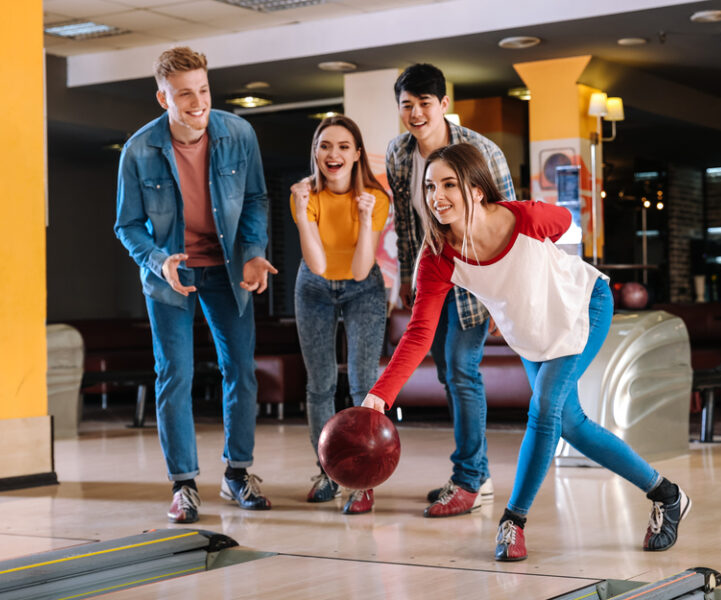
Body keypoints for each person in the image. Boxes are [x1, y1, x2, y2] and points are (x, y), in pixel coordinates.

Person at [362, 143, 691, 561]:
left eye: (449, 184)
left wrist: (536, 257)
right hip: (532, 334)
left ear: (477, 190)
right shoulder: (438, 255)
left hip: (582, 308)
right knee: (570, 424)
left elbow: (565, 220)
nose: (436, 196)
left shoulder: (522, 218)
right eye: (430, 186)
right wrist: (381, 395)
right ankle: (668, 495)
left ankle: (512, 522)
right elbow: (420, 333)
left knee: (546, 407)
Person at [114, 46, 277, 524]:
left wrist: (252, 250)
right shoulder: (139, 150)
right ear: (162, 98)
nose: (197, 102)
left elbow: (254, 197)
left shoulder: (239, 133)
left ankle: (237, 473)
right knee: (175, 376)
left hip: (228, 268)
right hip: (171, 275)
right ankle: (184, 485)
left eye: (203, 90)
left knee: (240, 371)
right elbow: (128, 225)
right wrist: (157, 260)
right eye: (184, 94)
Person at [385, 63, 516, 517]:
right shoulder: (399, 153)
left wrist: (503, 296)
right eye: (407, 105)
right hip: (432, 274)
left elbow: (511, 222)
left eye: (425, 103)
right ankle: (477, 472)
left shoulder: (481, 150)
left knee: (462, 370)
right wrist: (406, 274)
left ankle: (468, 480)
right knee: (448, 375)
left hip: (476, 279)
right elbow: (406, 220)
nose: (416, 113)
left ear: (444, 104)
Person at [290, 115, 390, 514]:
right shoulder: (304, 194)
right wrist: (300, 214)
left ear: (357, 154)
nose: (334, 154)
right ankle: (328, 472)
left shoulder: (376, 199)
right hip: (314, 285)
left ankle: (362, 480)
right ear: (316, 152)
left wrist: (365, 218)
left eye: (343, 147)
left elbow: (363, 269)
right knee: (321, 383)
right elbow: (315, 262)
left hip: (362, 287)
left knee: (364, 382)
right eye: (326, 145)